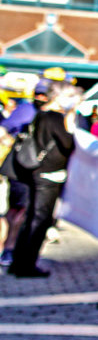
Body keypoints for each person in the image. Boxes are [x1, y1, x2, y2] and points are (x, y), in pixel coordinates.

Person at [6, 83, 75, 278]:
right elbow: (68, 143)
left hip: (38, 172)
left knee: (31, 217)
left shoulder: (42, 114)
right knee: (40, 219)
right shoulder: (54, 117)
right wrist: (69, 121)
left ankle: (19, 262)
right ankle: (27, 264)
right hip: (48, 175)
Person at [0, 86, 39, 268]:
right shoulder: (28, 110)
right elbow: (4, 130)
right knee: (19, 210)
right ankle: (9, 247)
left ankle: (9, 246)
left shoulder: (29, 109)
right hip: (22, 167)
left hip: (23, 168)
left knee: (16, 209)